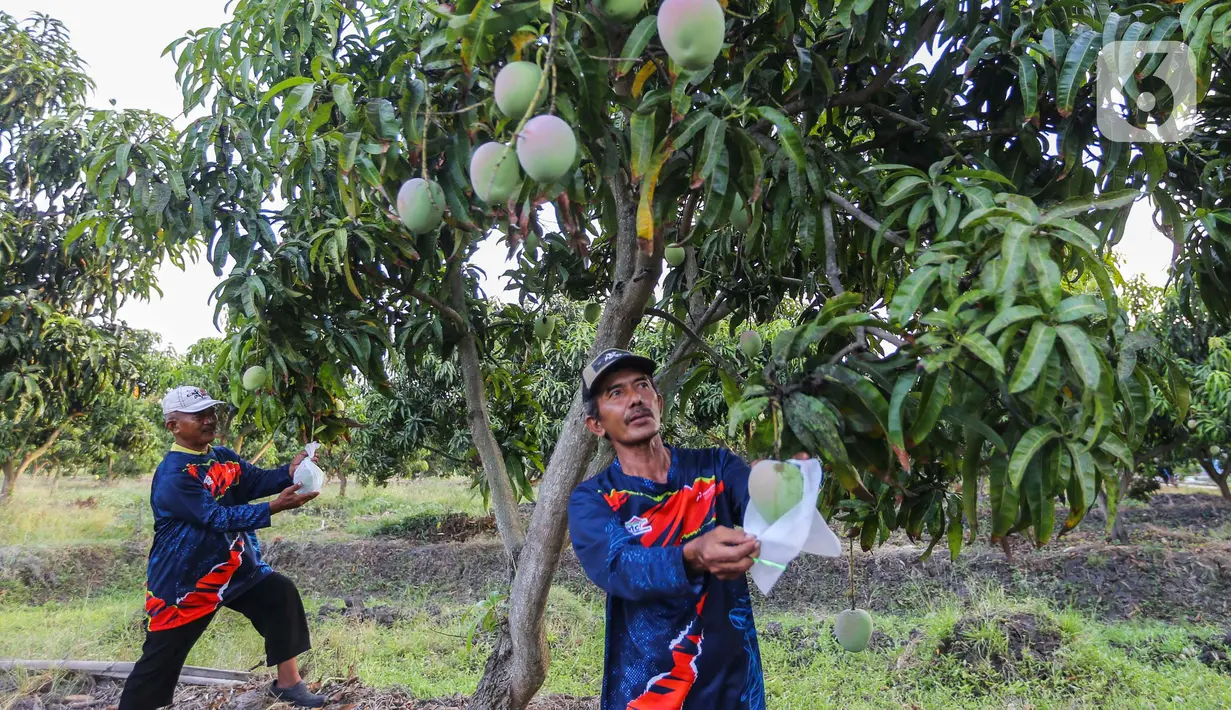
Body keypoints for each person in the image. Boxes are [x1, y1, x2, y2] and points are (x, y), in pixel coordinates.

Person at [568, 349, 777, 710]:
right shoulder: (594, 499)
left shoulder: (715, 467)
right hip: (647, 694)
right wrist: (691, 556)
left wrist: (781, 481)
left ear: (659, 402)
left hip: (732, 690)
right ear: (596, 425)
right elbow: (618, 565)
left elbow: (764, 505)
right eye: (615, 393)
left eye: (642, 386)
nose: (635, 398)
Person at [118, 386, 325, 710]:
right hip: (186, 583)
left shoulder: (223, 457)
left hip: (233, 567)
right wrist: (274, 508)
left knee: (279, 595)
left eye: (210, 413)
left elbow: (256, 481)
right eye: (198, 415)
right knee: (160, 660)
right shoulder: (174, 474)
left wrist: (290, 472)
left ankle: (289, 683)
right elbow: (214, 517)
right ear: (173, 425)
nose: (209, 420)